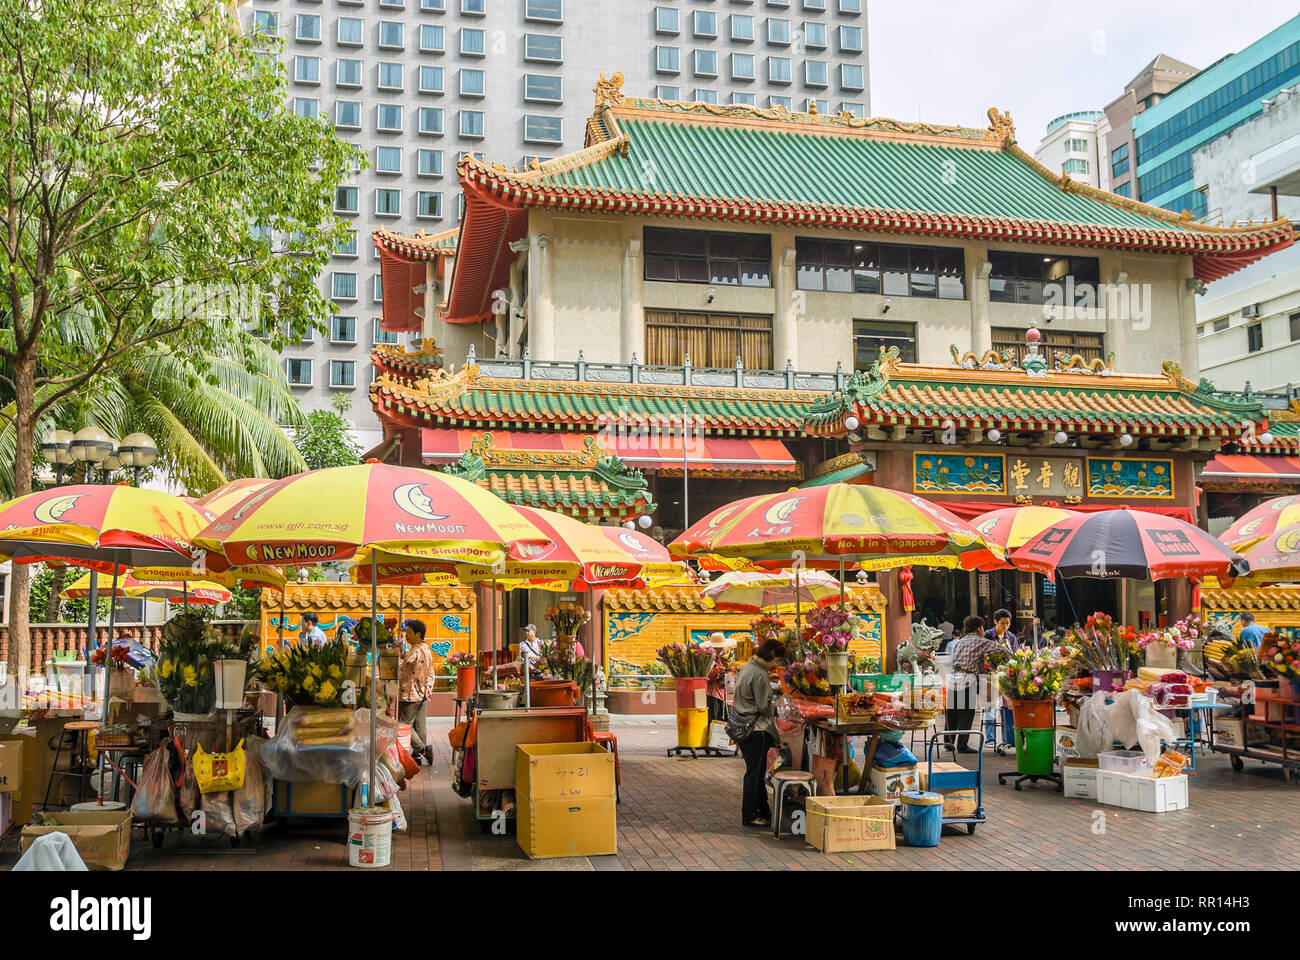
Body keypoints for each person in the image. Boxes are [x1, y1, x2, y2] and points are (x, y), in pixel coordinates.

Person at [731, 637, 788, 828]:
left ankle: (763, 811)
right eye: (776, 660)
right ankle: (748, 815)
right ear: (771, 656)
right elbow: (764, 706)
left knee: (755, 772)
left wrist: (772, 692)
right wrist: (777, 702)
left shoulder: (748, 667)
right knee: (754, 775)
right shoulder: (760, 674)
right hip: (757, 730)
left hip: (744, 727)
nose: (776, 665)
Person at [945, 615, 1009, 754]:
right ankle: (962, 746)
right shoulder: (981, 641)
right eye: (982, 627)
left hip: (954, 677)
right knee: (966, 713)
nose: (983, 630)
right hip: (968, 678)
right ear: (978, 628)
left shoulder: (960, 641)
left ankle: (948, 743)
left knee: (952, 711)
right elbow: (1003, 651)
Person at [398, 619, 434, 764]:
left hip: (411, 693)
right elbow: (431, 670)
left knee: (402, 724)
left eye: (409, 633)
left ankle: (423, 749)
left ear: (418, 634)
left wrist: (400, 645)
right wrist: (429, 687)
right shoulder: (426, 648)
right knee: (420, 725)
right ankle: (417, 755)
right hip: (423, 691)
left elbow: (409, 658)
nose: (407, 636)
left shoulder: (417, 649)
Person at [700, 632, 736, 721]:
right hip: (711, 694)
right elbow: (709, 674)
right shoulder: (708, 656)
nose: (721, 648)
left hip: (721, 694)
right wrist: (724, 669)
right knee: (712, 721)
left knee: (720, 722)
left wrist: (729, 669)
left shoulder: (721, 657)